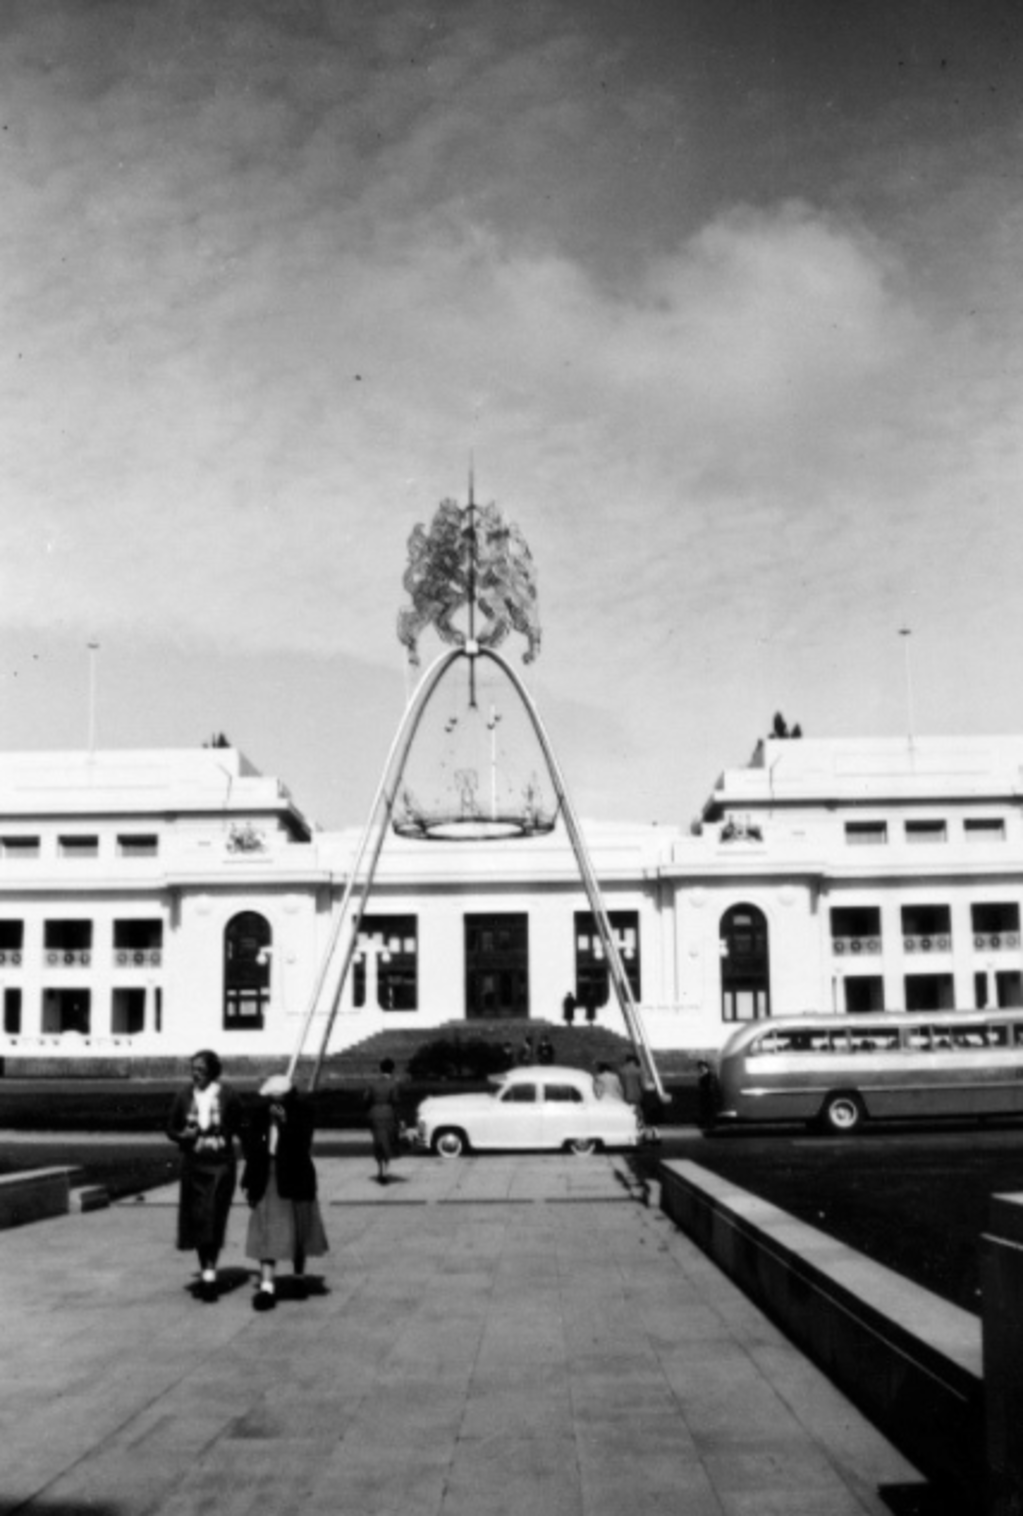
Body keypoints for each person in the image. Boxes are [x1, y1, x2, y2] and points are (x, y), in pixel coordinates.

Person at [242, 1074, 329, 1312]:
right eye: (269, 1099)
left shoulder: (303, 1112)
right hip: (267, 1176)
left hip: (295, 1176)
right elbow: (253, 1150)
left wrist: (286, 1122)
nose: (272, 1103)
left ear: (288, 1096)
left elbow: (303, 1145)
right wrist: (249, 1183)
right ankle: (267, 1287)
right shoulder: (261, 1115)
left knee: (299, 1228)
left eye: (276, 1098)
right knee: (267, 1230)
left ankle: (298, 1277)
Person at [166, 1049, 243, 1302]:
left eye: (200, 1069)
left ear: (212, 1071)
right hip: (194, 1166)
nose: (195, 1074)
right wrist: (182, 1136)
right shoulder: (184, 1095)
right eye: (193, 1069)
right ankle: (207, 1274)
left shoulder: (228, 1095)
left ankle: (209, 1275)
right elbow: (170, 1127)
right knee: (198, 1220)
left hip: (221, 1166)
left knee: (213, 1220)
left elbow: (242, 1125)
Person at [366, 1057, 402, 1184]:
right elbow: (396, 1101)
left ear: (381, 1069)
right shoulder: (393, 1084)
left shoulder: (372, 1084)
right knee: (387, 1142)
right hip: (388, 1114)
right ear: (392, 1070)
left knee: (378, 1142)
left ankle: (380, 1168)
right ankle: (385, 1170)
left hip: (374, 1115)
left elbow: (366, 1099)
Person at [696, 1060, 722, 1131]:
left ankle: (710, 1125)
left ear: (705, 1067)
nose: (700, 1069)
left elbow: (711, 1088)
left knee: (710, 1112)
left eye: (701, 1067)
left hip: (710, 1098)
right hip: (706, 1097)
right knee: (706, 1111)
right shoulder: (704, 1076)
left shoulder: (710, 1076)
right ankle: (707, 1124)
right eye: (700, 1068)